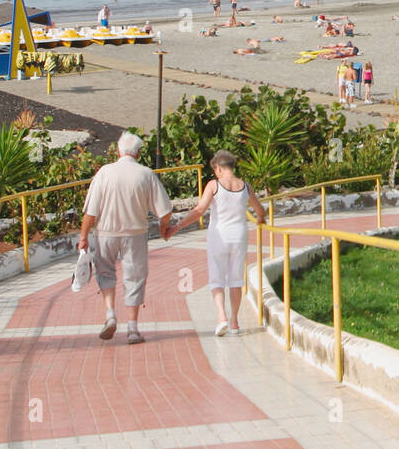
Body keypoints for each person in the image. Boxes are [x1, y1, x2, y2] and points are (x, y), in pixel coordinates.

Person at [77, 132, 174, 345]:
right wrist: (164, 226)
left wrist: (83, 237)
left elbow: (90, 212)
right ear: (138, 153)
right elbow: (165, 211)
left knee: (105, 272)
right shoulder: (146, 174)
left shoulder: (105, 173)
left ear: (118, 151)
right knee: (135, 277)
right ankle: (132, 328)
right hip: (135, 233)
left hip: (106, 233)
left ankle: (110, 313)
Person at [171, 151, 267, 337]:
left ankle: (221, 317)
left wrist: (178, 226)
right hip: (239, 236)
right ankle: (234, 322)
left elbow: (199, 210)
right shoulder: (245, 186)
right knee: (236, 279)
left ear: (219, 168)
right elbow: (259, 209)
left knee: (217, 278)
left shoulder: (214, 185)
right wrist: (260, 219)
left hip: (218, 236)